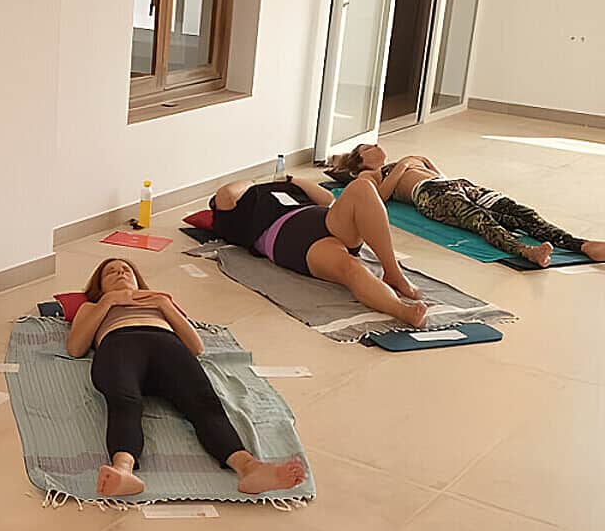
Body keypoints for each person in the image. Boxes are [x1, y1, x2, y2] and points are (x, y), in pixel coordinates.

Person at [66, 258, 307, 498]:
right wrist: (107, 302)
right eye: (111, 272)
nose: (120, 274)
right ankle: (123, 470)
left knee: (204, 403)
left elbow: (197, 347)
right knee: (124, 402)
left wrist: (164, 305)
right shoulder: (93, 306)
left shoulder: (158, 302)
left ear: (138, 279)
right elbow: (76, 348)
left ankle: (249, 468)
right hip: (119, 345)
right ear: (99, 285)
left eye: (126, 270)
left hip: (167, 346)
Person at [329, 144, 605, 267]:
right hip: (430, 195)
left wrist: (417, 162)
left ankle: (581, 244)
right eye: (369, 148)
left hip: (457, 183)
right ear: (361, 158)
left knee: (520, 213)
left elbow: (436, 169)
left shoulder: (404, 160)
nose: (376, 148)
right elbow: (381, 197)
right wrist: (403, 166)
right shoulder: (373, 174)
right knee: (480, 219)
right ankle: (527, 251)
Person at [210, 176, 428, 327]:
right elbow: (227, 193)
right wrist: (253, 183)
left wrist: (291, 181)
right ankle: (401, 310)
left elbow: (326, 199)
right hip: (287, 236)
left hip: (322, 218)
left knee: (362, 187)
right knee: (349, 267)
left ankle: (393, 272)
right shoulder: (233, 214)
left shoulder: (286, 189)